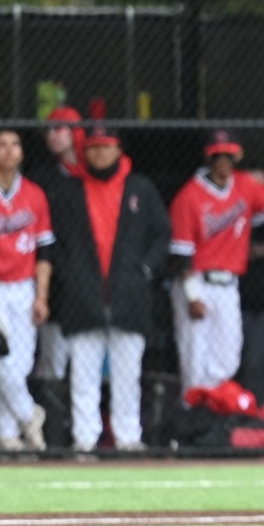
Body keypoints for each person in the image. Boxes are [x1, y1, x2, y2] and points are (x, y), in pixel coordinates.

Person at [46, 123, 169, 455]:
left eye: (106, 146)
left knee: (128, 375)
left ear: (119, 150)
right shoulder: (70, 192)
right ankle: (86, 439)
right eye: (94, 147)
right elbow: (52, 241)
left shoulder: (140, 189)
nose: (100, 152)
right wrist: (70, 275)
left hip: (129, 298)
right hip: (82, 298)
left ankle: (128, 437)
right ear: (86, 152)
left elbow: (162, 235)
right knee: (83, 377)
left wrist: (144, 271)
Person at [168, 130, 264, 392]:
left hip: (228, 284)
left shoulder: (245, 185)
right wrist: (192, 296)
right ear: (208, 157)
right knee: (195, 362)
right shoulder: (189, 196)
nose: (223, 160)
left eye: (228, 155)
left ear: (237, 155)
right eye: (217, 155)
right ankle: (194, 419)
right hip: (198, 281)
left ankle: (213, 415)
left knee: (228, 358)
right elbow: (181, 256)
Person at [0, 129, 54, 451]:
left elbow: (45, 251)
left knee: (19, 365)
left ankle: (9, 436)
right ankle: (29, 414)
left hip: (25, 286)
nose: (8, 151)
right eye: (1, 145)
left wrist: (41, 295)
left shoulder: (34, 194)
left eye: (15, 144)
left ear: (22, 153)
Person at [30, 105, 84, 384]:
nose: (53, 135)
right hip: (54, 281)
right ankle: (50, 422)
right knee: (52, 361)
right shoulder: (42, 180)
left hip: (89, 282)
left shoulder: (95, 176)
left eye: (60, 128)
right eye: (49, 130)